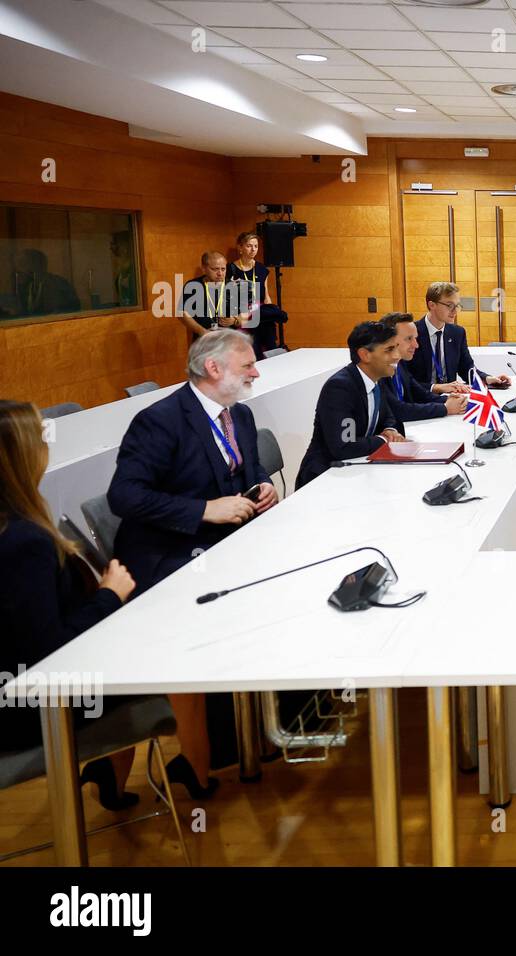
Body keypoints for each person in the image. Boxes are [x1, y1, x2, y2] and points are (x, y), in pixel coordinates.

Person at [107, 330, 277, 796]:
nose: (257, 372)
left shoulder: (237, 414)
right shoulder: (160, 421)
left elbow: (247, 469)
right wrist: (204, 509)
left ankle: (255, 732)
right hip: (166, 553)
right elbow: (124, 496)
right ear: (214, 369)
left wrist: (262, 486)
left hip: (222, 543)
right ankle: (209, 751)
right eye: (248, 366)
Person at [0, 400, 141, 810]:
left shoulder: (18, 528)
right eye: (41, 436)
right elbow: (49, 650)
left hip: (21, 689)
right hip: (31, 709)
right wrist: (109, 595)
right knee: (164, 665)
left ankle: (110, 778)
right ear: (21, 454)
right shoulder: (24, 542)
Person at [296, 321, 406, 490]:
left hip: (356, 472)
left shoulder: (376, 379)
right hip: (324, 480)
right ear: (365, 354)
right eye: (389, 349)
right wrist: (384, 439)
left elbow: (388, 416)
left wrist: (390, 430)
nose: (397, 355)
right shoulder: (340, 388)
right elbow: (344, 446)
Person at [408, 282, 509, 391]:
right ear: (432, 305)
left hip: (451, 397)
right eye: (450, 305)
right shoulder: (411, 334)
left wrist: (488, 379)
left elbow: (466, 368)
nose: (455, 311)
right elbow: (407, 380)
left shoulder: (457, 333)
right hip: (421, 399)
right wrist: (436, 388)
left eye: (457, 306)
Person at [379, 312, 468, 422]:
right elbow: (398, 410)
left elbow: (421, 394)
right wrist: (445, 408)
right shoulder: (378, 370)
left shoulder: (400, 364)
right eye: (409, 339)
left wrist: (454, 400)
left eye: (415, 338)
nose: (416, 345)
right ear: (389, 340)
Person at [177, 252, 250, 342]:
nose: (220, 273)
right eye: (215, 269)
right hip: (203, 341)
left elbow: (247, 315)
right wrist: (203, 332)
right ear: (204, 269)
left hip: (229, 341)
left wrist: (235, 320)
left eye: (223, 269)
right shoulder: (193, 286)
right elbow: (182, 313)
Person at [226, 231, 276, 358]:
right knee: (249, 354)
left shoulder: (261, 268)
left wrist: (269, 312)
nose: (253, 249)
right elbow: (226, 298)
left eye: (256, 246)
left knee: (267, 351)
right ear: (240, 247)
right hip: (241, 317)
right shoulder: (230, 269)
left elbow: (266, 294)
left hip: (260, 316)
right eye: (249, 246)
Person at [10, 249, 80, 317]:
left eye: (22, 264)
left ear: (35, 266)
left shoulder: (59, 284)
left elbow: (72, 309)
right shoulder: (24, 285)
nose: (16, 270)